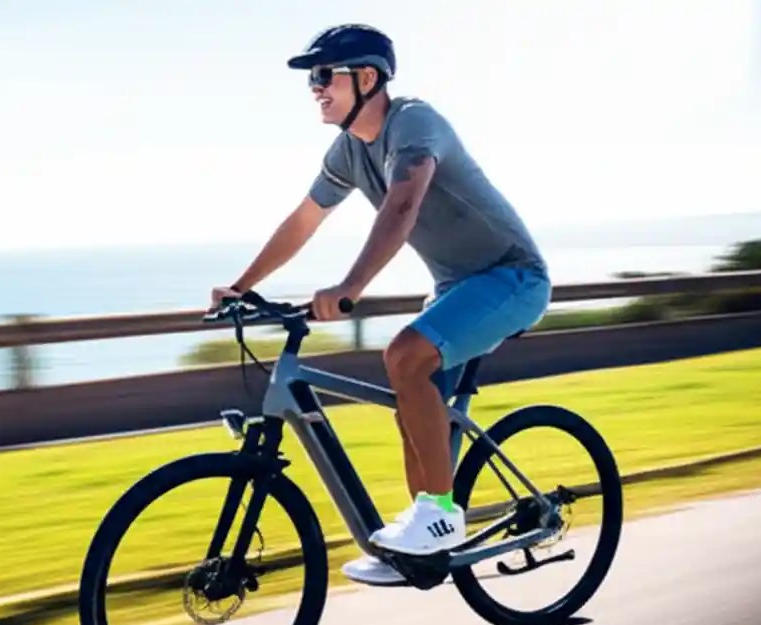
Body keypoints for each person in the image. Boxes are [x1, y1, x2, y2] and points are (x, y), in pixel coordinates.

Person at [209, 24, 552, 586]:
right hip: (457, 288)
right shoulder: (346, 150)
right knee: (410, 405)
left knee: (405, 356)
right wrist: (241, 286)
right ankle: (420, 549)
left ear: (367, 79)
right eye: (312, 80)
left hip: (512, 276)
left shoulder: (413, 124)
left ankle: (440, 515)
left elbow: (402, 206)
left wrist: (349, 288)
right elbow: (304, 220)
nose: (315, 89)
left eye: (324, 76)